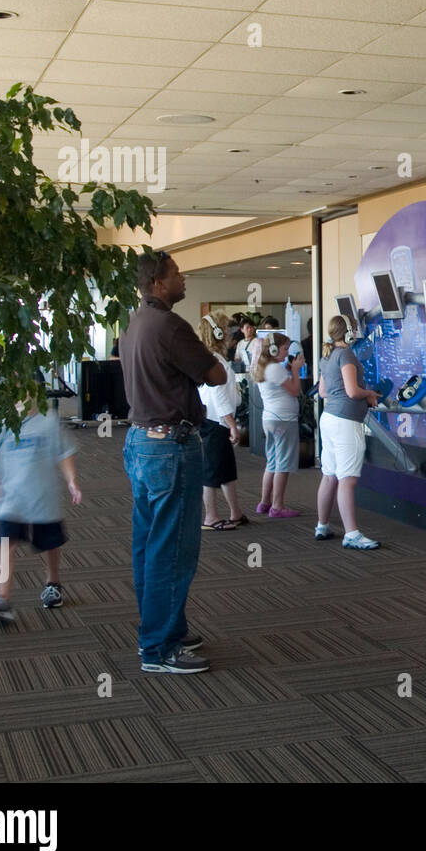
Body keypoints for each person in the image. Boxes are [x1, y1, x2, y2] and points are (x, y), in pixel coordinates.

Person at [119, 251, 227, 675]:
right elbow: (215, 375)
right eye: (178, 274)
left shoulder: (133, 323)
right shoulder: (170, 326)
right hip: (170, 447)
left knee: (149, 544)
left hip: (141, 443)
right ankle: (160, 648)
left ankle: (163, 628)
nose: (184, 280)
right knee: (173, 550)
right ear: (160, 284)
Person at [0, 394, 82, 622]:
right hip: (10, 497)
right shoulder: (1, 420)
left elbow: (64, 452)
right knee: (7, 544)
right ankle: (2, 599)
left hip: (44, 496)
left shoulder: (48, 420)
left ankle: (52, 583)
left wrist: (71, 481)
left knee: (50, 543)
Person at [315, 314, 381, 548]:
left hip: (329, 418)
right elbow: (353, 391)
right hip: (345, 422)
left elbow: (323, 392)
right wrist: (370, 394)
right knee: (347, 479)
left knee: (330, 474)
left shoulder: (327, 354)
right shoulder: (346, 355)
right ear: (350, 332)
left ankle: (322, 525)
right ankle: (351, 534)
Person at [197, 315, 248, 531]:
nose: (229, 333)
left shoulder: (212, 357)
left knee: (226, 469)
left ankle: (235, 513)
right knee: (211, 471)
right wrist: (232, 425)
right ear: (217, 333)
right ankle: (210, 517)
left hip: (213, 421)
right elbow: (219, 397)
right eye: (226, 329)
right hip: (217, 423)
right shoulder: (215, 361)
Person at [254, 331, 304, 517]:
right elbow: (294, 390)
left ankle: (265, 502)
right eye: (285, 349)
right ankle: (277, 506)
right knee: (283, 463)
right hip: (283, 420)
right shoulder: (275, 368)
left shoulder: (266, 367)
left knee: (273, 462)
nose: (286, 353)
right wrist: (295, 371)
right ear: (274, 349)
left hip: (271, 418)